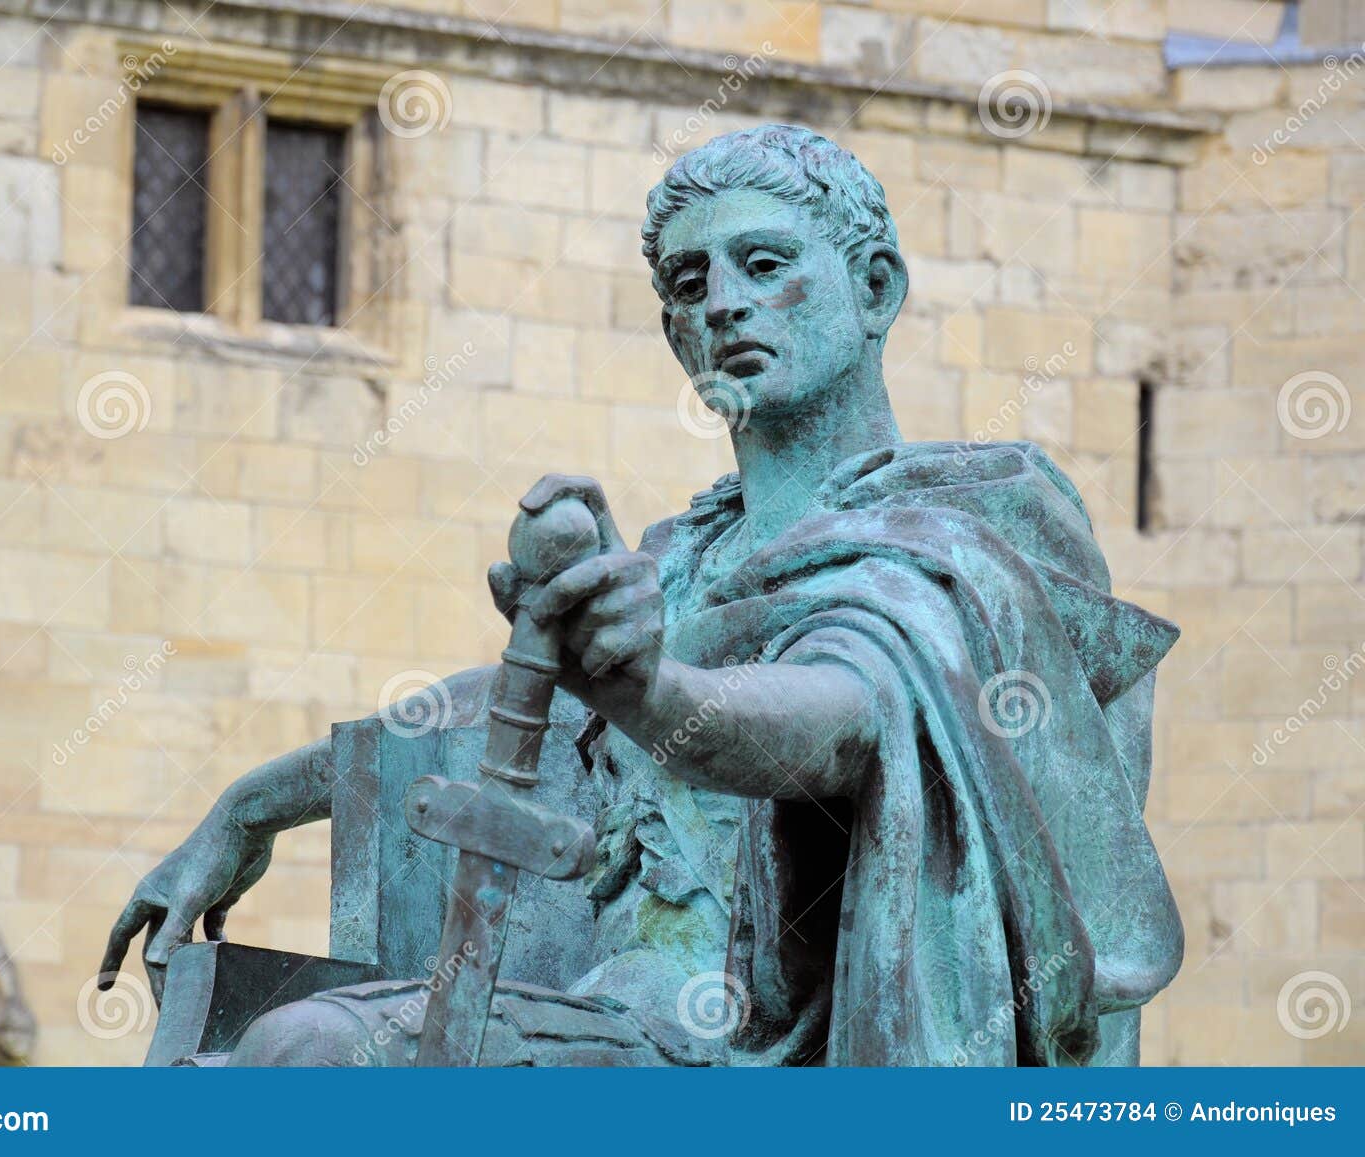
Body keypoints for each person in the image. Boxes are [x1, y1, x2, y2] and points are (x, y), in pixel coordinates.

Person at [100, 124, 1182, 1066]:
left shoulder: (961, 527)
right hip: (613, 1016)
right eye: (690, 284)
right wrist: (250, 804)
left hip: (767, 1052)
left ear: (875, 289)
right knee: (250, 1040)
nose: (725, 303)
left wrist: (652, 693)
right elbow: (511, 703)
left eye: (765, 263)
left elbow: (845, 719)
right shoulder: (680, 557)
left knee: (313, 1049)